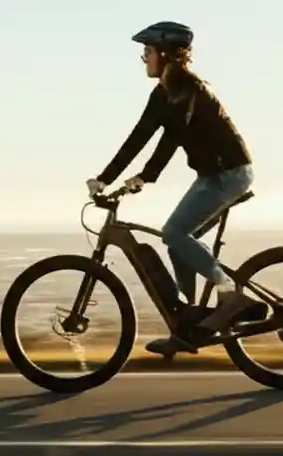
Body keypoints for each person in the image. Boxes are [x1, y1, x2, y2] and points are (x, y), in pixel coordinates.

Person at [87, 21, 266, 354]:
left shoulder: (190, 91)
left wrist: (109, 178)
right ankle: (187, 324)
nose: (144, 58)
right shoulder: (168, 93)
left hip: (229, 174)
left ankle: (229, 293)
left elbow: (150, 138)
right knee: (178, 243)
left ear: (166, 55)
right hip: (213, 175)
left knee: (173, 233)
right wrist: (141, 176)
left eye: (148, 51)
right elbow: (159, 137)